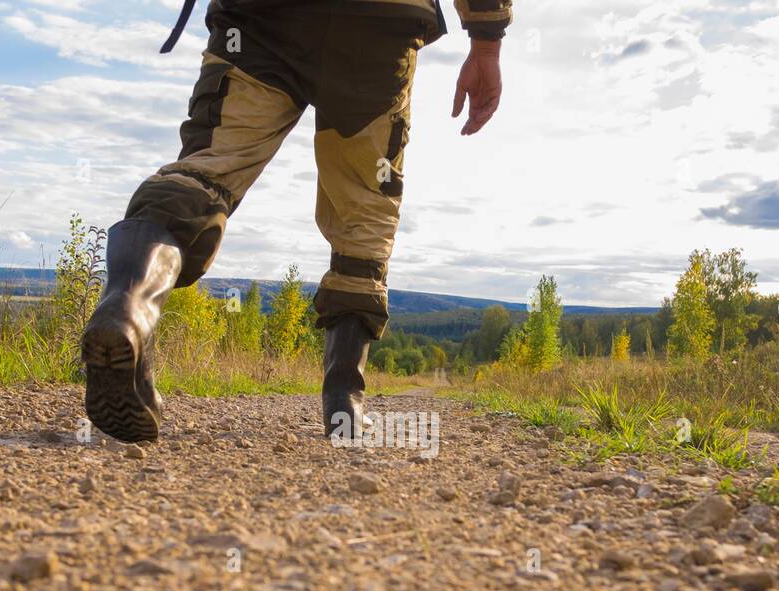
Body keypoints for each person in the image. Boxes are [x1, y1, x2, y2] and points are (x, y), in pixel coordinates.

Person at [80, 0, 511, 443]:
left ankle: (129, 307)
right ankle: (345, 398)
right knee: (365, 206)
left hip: (259, 21)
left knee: (206, 171)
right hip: (378, 23)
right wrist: (486, 40)